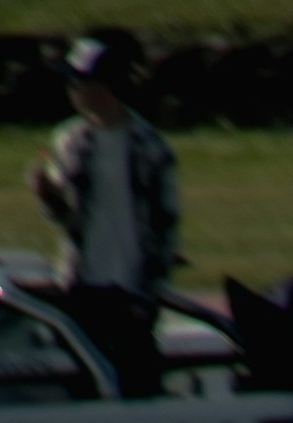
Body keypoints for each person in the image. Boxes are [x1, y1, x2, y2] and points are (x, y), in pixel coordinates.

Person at [29, 33, 183, 394]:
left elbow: (165, 223)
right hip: (84, 282)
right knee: (84, 381)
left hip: (131, 285)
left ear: (104, 87)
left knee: (137, 379)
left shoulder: (150, 147)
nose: (72, 91)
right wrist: (47, 195)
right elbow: (65, 219)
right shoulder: (70, 141)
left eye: (78, 82)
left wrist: (152, 291)